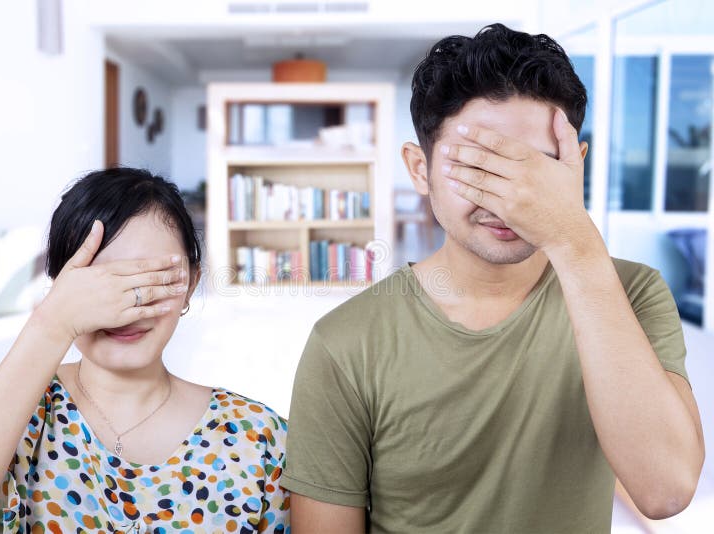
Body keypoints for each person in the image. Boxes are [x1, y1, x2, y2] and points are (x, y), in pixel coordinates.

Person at [281, 23, 705, 533]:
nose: (508, 196)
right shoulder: (345, 343)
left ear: (575, 167)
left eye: (535, 170)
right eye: (476, 167)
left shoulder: (630, 295)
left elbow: (666, 491)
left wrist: (574, 241)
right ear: (420, 169)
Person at [0, 168, 290, 532]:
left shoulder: (258, 438)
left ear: (191, 283)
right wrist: (52, 324)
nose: (125, 307)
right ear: (58, 286)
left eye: (151, 277)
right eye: (99, 282)